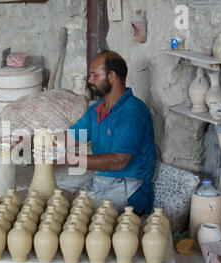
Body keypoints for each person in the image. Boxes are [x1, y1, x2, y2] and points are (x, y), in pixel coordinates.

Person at [61, 50, 157, 216]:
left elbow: (118, 161)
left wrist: (71, 159)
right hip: (103, 181)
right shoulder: (97, 110)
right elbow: (69, 139)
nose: (90, 80)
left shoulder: (132, 112)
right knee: (64, 207)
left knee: (78, 219)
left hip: (129, 188)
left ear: (112, 76)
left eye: (95, 75)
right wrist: (28, 142)